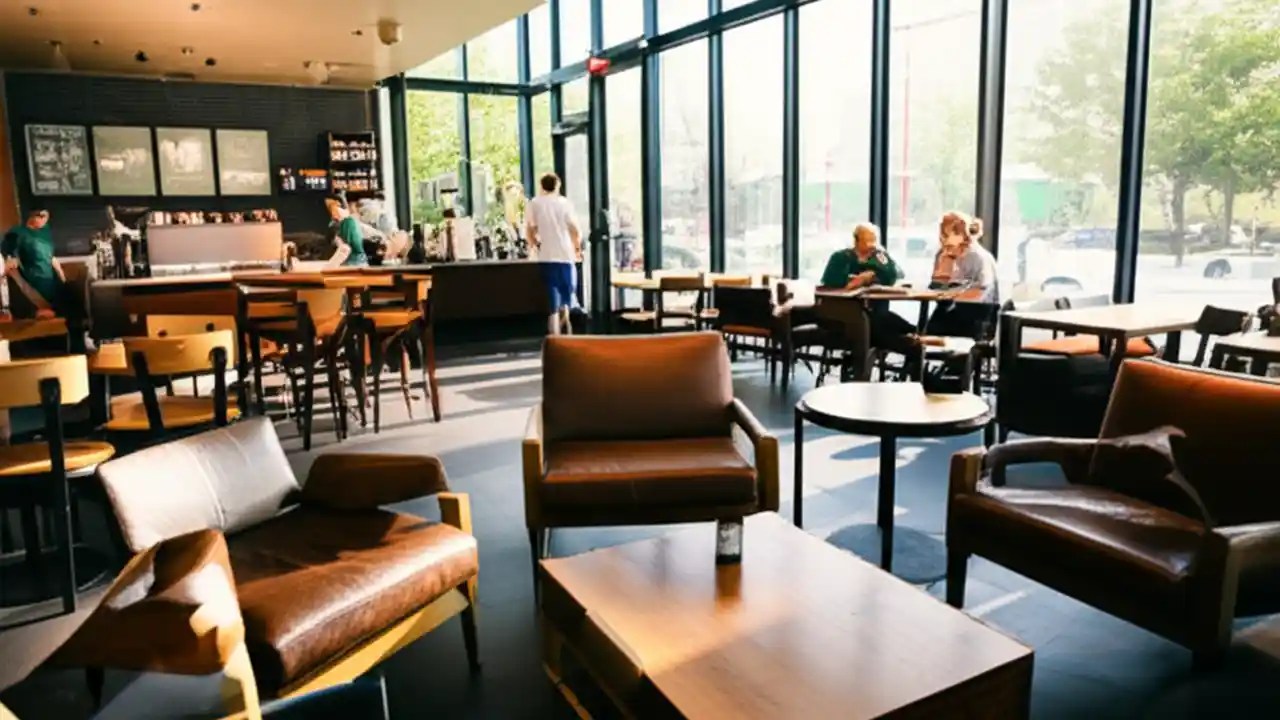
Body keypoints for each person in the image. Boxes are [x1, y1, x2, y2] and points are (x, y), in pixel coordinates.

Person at [818, 223, 923, 376]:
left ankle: (914, 344)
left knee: (897, 327)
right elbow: (830, 282)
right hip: (848, 316)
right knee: (899, 336)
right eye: (866, 241)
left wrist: (874, 273)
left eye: (873, 240)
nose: (870, 245)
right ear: (856, 240)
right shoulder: (841, 258)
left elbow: (894, 274)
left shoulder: (879, 257)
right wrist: (856, 280)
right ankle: (913, 350)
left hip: (876, 313)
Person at [927, 211, 999, 338]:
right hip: (948, 311)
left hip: (976, 314)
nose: (942, 238)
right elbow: (935, 287)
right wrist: (943, 268)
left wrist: (951, 295)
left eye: (946, 233)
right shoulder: (942, 255)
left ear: (962, 233)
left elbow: (981, 292)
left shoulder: (978, 256)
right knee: (923, 335)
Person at [525, 172, 581, 336]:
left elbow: (530, 229)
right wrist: (577, 247)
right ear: (557, 186)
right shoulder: (565, 203)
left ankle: (554, 336)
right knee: (568, 297)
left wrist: (535, 244)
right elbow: (574, 229)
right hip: (565, 255)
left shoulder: (534, 203)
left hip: (546, 257)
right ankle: (568, 335)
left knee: (552, 299)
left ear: (541, 186)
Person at [3, 208, 67, 317]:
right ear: (32, 216)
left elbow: (50, 256)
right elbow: (9, 260)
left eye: (46, 217)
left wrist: (62, 276)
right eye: (41, 216)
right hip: (29, 284)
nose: (44, 220)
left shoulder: (46, 234)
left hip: (51, 283)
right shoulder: (17, 233)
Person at [324, 193, 368, 267]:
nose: (333, 212)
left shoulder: (350, 222)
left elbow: (356, 247)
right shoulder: (334, 224)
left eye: (334, 208)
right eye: (330, 209)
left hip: (355, 263)